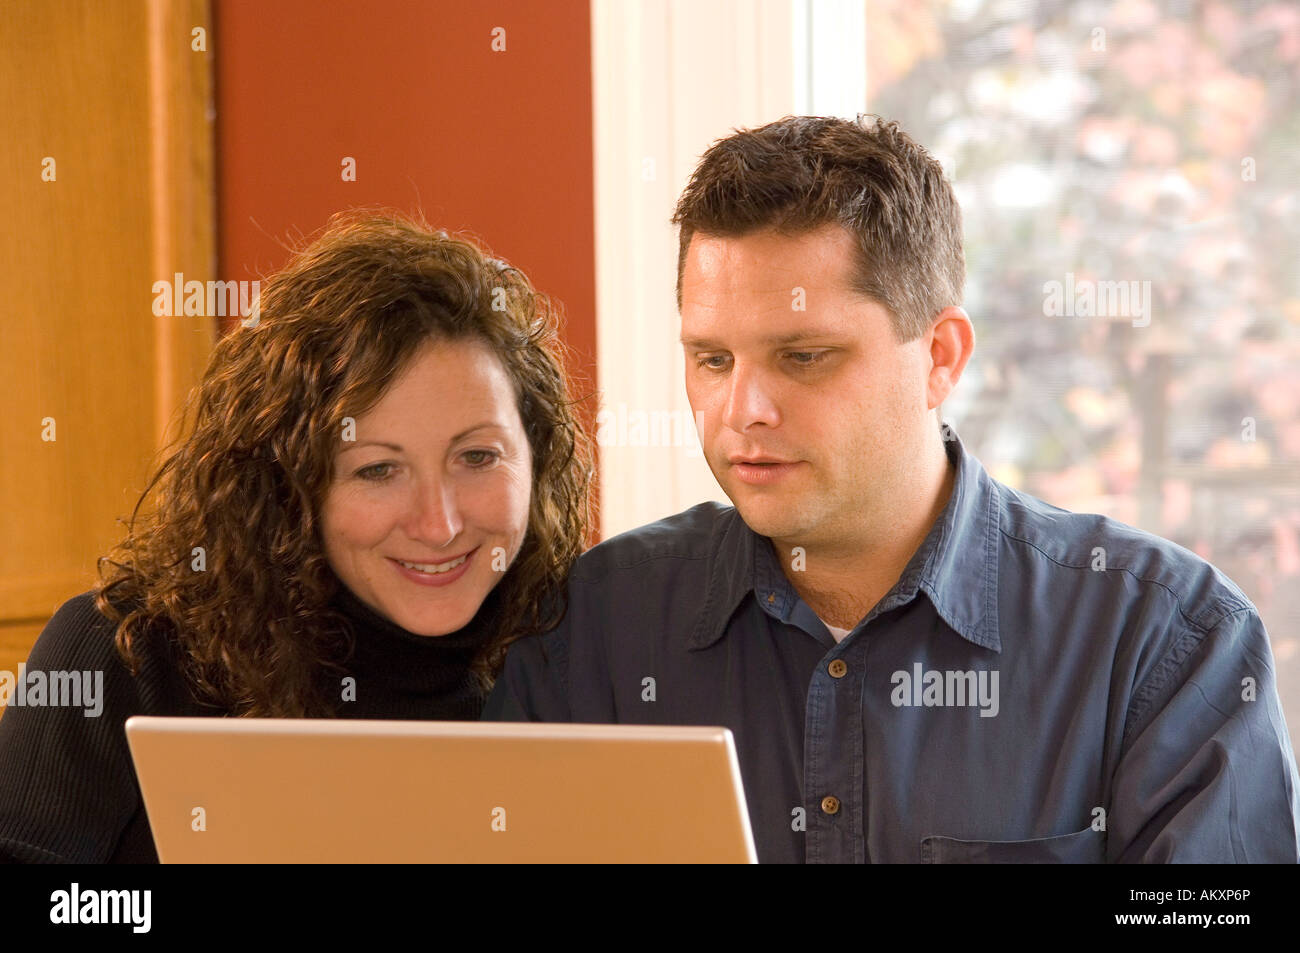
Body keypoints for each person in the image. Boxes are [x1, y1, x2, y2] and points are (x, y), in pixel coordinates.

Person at [483, 115, 1300, 863]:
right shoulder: (596, 629)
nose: (743, 412)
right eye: (713, 359)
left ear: (939, 355)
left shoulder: (1164, 640)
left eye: (804, 357)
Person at [0, 211, 594, 863]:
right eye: (378, 469)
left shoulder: (570, 675)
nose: (440, 524)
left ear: (534, 455)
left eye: (477, 457)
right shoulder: (123, 656)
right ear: (290, 484)